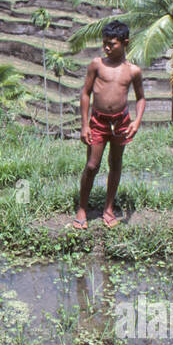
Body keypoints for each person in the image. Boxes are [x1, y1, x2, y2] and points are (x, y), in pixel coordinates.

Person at [74, 20, 146, 229]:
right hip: (98, 121)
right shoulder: (97, 64)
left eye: (112, 44)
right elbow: (86, 93)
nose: (106, 47)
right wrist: (85, 125)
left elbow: (141, 98)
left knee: (115, 164)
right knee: (92, 165)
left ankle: (108, 208)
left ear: (125, 42)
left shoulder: (133, 71)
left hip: (121, 122)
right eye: (105, 43)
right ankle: (82, 208)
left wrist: (137, 121)